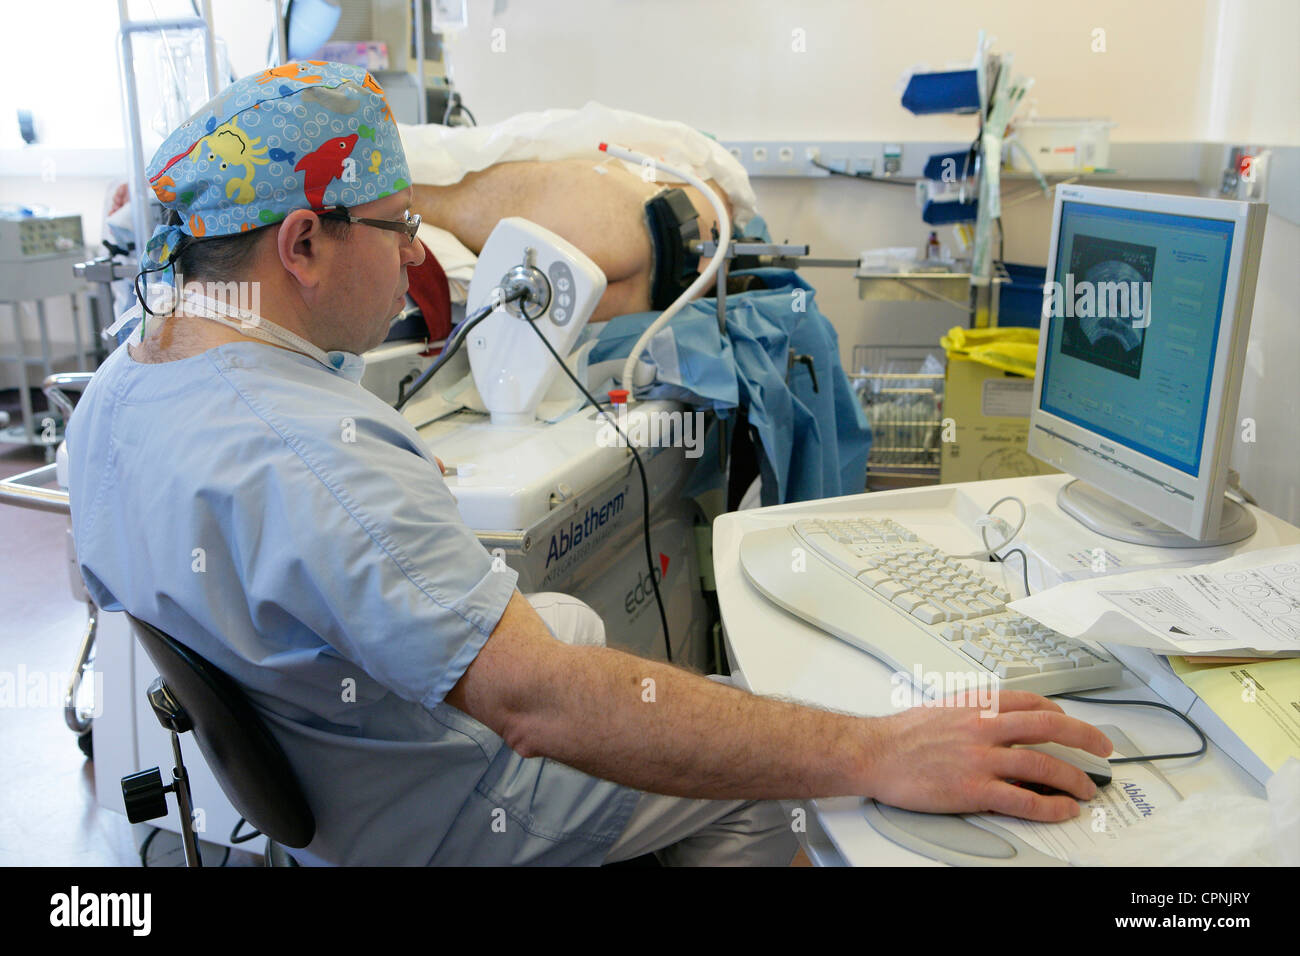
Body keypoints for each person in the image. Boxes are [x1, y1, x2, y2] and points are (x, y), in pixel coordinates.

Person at [68, 62, 1111, 866]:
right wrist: (874, 748)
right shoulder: (313, 462)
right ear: (301, 244)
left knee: (579, 631)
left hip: (322, 777)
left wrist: (369, 514)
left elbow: (261, 538)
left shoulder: (121, 389)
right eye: (400, 228)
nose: (417, 255)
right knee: (770, 781)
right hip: (436, 813)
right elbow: (541, 705)